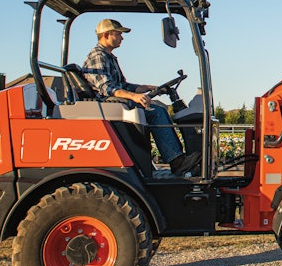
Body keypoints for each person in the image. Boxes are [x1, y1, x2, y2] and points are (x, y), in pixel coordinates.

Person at [83, 18, 201, 176]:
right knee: (156, 111)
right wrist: (135, 97)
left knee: (157, 107)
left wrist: (146, 88)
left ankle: (167, 160)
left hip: (113, 103)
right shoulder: (98, 56)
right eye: (118, 34)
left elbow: (122, 85)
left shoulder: (109, 57)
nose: (122, 38)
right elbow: (107, 88)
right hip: (107, 106)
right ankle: (176, 161)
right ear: (106, 35)